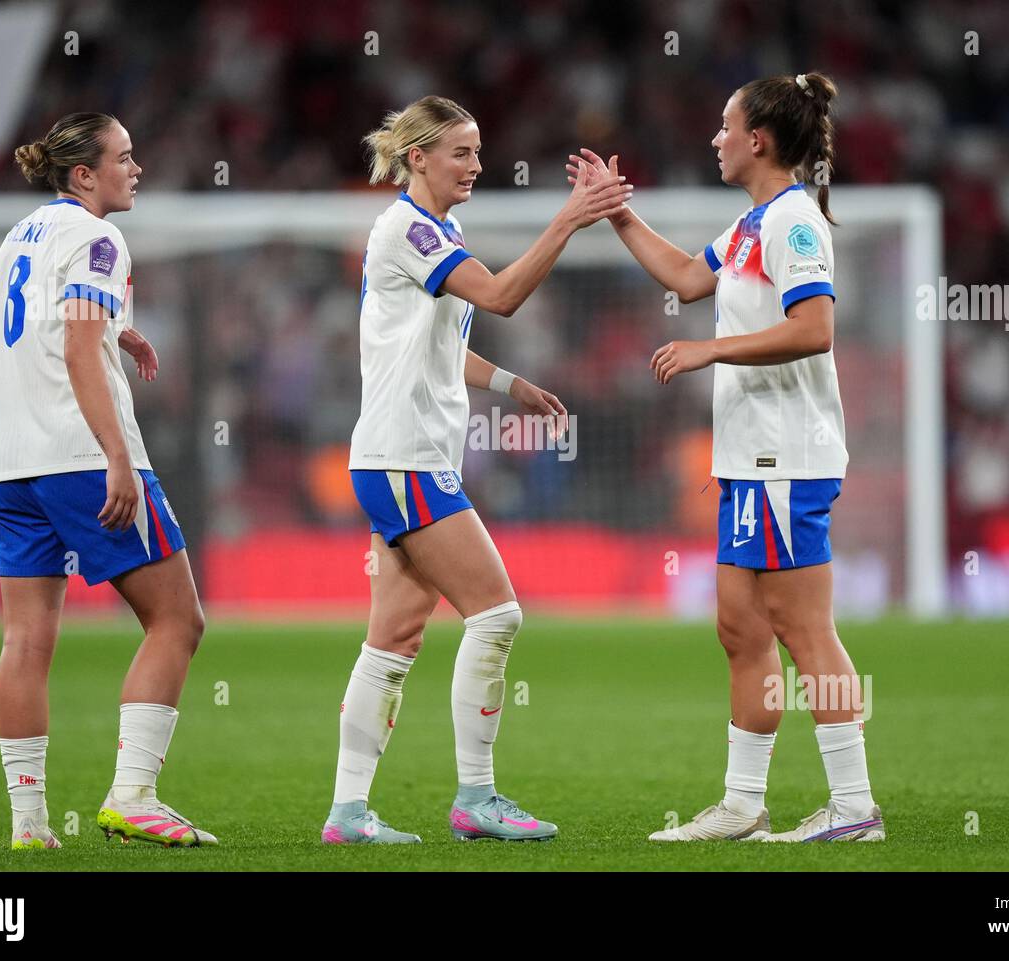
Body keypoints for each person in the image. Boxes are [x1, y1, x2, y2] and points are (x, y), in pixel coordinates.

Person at [570, 73, 884, 842]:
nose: (715, 139)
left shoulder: (794, 223)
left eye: (724, 127)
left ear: (760, 140)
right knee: (739, 626)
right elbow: (685, 277)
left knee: (803, 628)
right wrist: (618, 213)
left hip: (788, 457)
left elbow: (814, 328)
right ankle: (744, 804)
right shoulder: (752, 223)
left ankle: (853, 806)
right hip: (749, 461)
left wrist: (711, 348)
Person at [324, 95, 631, 843]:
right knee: (497, 615)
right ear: (419, 157)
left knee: (393, 638)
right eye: (461, 151)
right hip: (408, 458)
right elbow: (500, 295)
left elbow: (431, 344)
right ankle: (477, 798)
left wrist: (508, 385)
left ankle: (348, 811)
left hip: (397, 454)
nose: (477, 164)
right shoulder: (408, 228)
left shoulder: (433, 231)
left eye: (479, 150)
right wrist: (568, 218)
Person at [0, 112, 216, 849]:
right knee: (178, 619)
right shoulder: (100, 238)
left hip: (10, 467)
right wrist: (117, 454)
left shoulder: (20, 236)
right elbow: (78, 348)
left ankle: (29, 825)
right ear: (84, 175)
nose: (135, 167)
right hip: (80, 457)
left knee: (25, 641)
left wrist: (118, 325)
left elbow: (45, 322)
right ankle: (134, 795)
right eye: (123, 157)